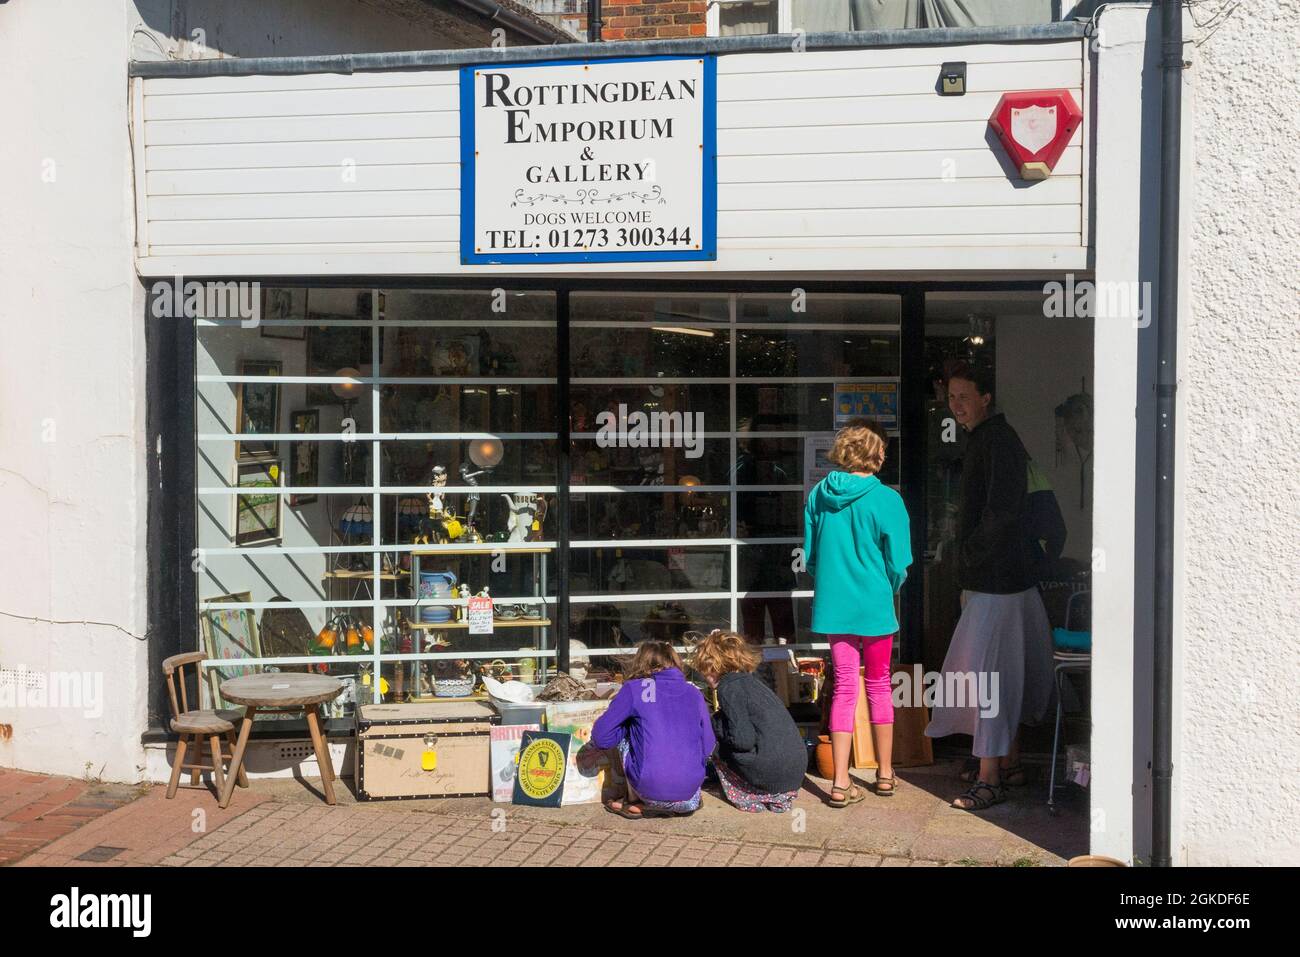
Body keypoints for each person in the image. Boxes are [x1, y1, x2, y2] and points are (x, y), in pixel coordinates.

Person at [924, 364, 1055, 812]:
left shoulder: (993, 440)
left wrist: (969, 559)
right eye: (951, 396)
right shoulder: (997, 438)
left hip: (996, 583)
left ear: (986, 398)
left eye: (964, 395)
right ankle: (1009, 764)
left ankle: (990, 779)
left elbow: (1000, 512)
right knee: (1004, 677)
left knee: (988, 681)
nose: (955, 404)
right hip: (1009, 581)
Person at [803, 419, 913, 806]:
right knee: (880, 683)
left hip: (835, 604)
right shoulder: (887, 499)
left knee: (844, 687)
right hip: (875, 604)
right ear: (877, 454)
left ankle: (840, 781)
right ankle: (884, 773)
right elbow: (900, 561)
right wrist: (888, 587)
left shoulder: (819, 494)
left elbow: (812, 554)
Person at [592, 640, 715, 819]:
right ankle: (677, 802)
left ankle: (635, 800)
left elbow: (602, 737)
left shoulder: (635, 689)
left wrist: (626, 729)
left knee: (630, 731)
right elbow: (708, 743)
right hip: (689, 790)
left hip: (648, 787)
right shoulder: (694, 692)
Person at [691, 629, 807, 812]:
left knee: (718, 750)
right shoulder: (751, 682)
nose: (704, 677)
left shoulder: (728, 688)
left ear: (712, 666)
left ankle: (750, 795)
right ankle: (771, 794)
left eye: (704, 670)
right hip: (794, 774)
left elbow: (742, 741)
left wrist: (716, 724)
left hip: (772, 774)